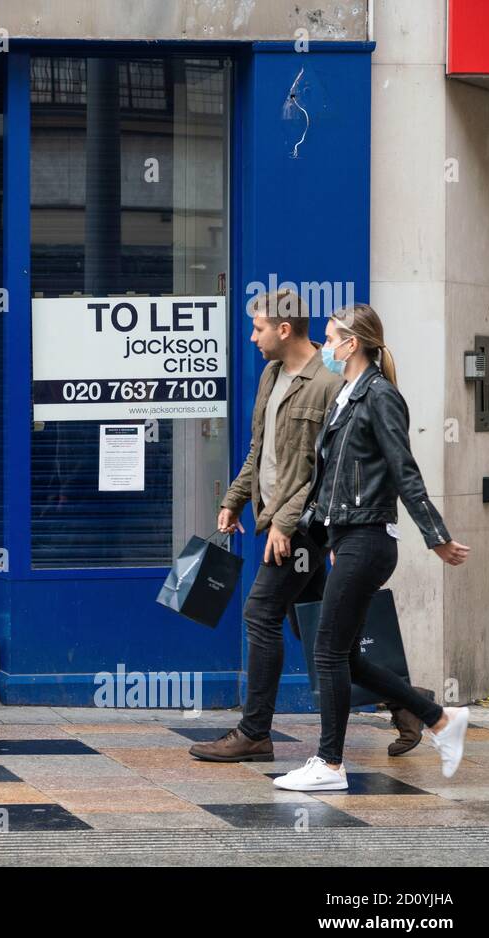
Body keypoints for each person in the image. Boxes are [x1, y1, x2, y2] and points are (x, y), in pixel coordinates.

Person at [274, 305, 472, 791]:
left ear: (352, 343)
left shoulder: (380, 396)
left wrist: (436, 536)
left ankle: (330, 764)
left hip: (370, 538)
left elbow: (404, 471)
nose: (326, 348)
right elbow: (331, 479)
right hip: (350, 538)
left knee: (327, 650)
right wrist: (325, 536)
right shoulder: (346, 395)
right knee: (347, 655)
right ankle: (440, 719)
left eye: (330, 339)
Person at [190, 289, 342, 762]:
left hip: (302, 528)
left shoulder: (328, 383)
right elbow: (262, 449)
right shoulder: (272, 374)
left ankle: (254, 731)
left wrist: (284, 522)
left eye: (258, 328)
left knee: (260, 614)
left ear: (283, 329)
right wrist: (235, 499)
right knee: (316, 629)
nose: (251, 337)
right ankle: (407, 703)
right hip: (274, 520)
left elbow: (321, 469)